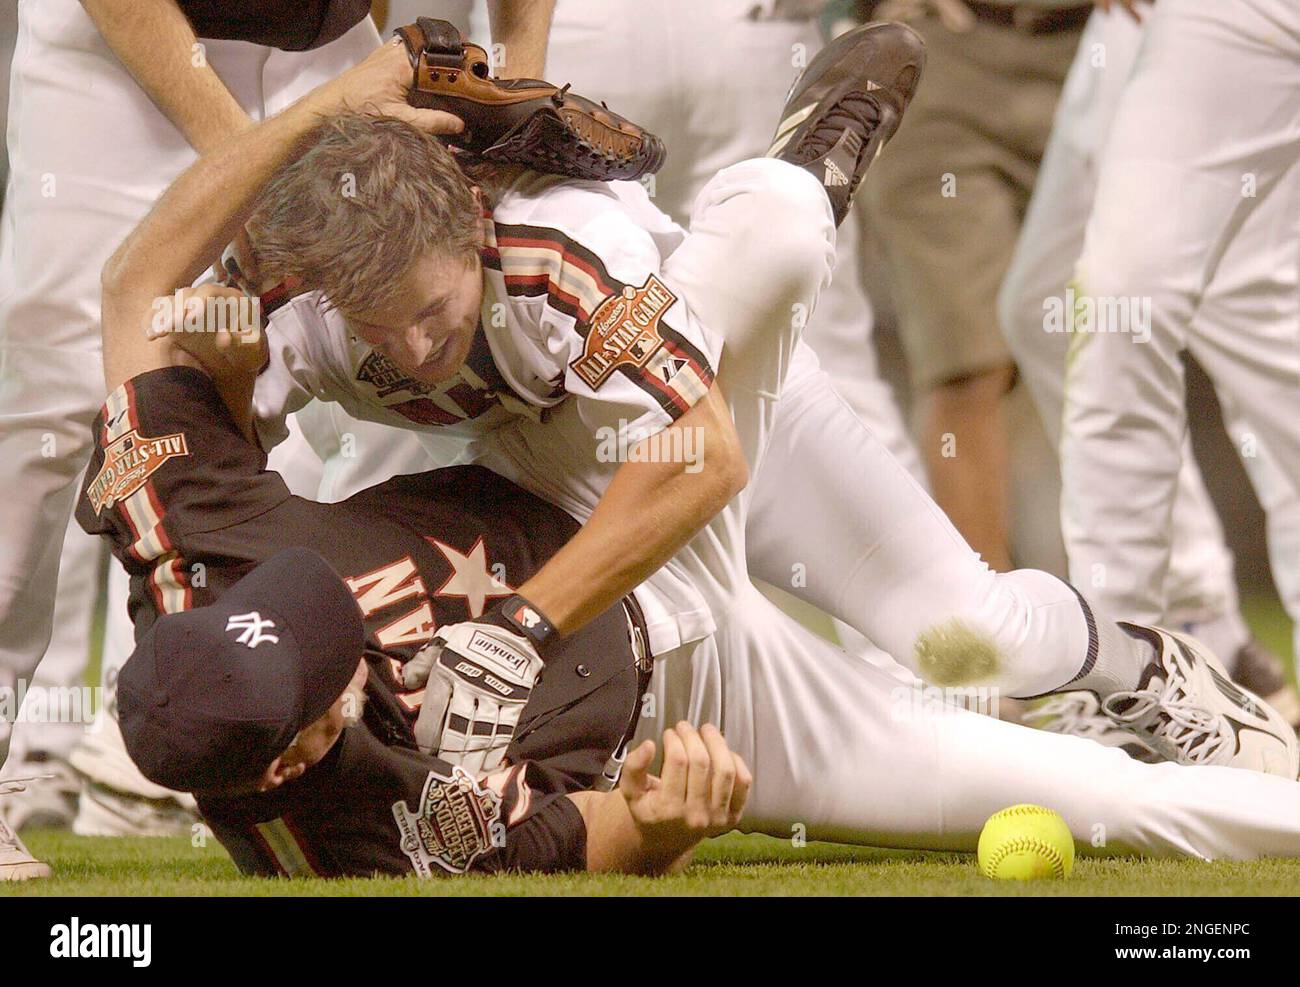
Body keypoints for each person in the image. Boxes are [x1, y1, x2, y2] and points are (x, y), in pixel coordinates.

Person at [82, 29, 1300, 865]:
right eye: (321, 656)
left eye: (429, 311)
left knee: (761, 268)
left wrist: (329, 107)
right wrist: (666, 821)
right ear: (294, 752)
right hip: (678, 677)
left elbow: (137, 287)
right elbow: (589, 842)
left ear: (466, 209)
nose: (412, 346)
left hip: (620, 463)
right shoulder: (397, 842)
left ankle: (797, 173)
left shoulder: (195, 536)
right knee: (1065, 766)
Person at [0, 0, 385, 882]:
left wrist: (521, 51)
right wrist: (246, 156)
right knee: (47, 417)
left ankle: (350, 742)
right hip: (119, 56)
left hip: (322, 50)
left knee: (388, 360)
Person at [997, 1, 1300, 735]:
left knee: (1225, 313)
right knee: (1072, 303)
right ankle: (1159, 657)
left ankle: (1155, 659)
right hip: (1170, 27)